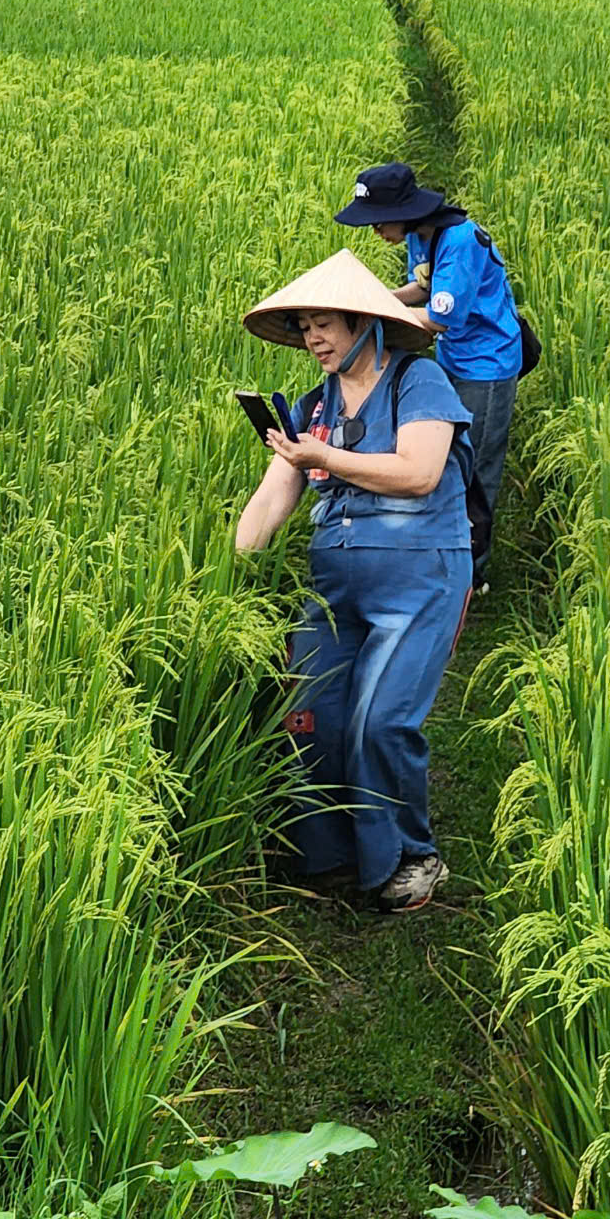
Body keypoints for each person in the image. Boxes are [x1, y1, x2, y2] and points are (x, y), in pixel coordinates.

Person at [234, 248, 473, 913]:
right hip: (333, 590)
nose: (313, 338)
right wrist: (231, 564)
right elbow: (276, 494)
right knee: (312, 717)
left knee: (380, 721)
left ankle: (409, 856)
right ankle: (335, 852)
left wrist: (323, 457)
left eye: (325, 324)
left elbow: (420, 471)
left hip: (419, 580)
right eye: (305, 327)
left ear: (364, 323)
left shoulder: (418, 384)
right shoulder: (313, 406)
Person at [333, 162, 522, 588]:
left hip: (486, 365)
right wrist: (372, 301)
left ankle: (473, 575)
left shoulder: (460, 240)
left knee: (476, 466)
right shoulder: (419, 236)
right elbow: (423, 288)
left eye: (379, 222)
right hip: (454, 359)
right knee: (446, 455)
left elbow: (438, 317)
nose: (376, 231)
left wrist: (374, 315)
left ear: (404, 210)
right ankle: (438, 549)